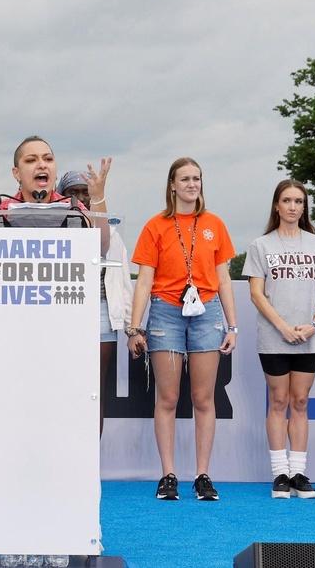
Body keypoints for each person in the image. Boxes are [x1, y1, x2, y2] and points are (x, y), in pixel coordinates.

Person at [126, 157, 238, 501]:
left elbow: (223, 279)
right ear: (172, 185)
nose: (192, 184)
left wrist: (232, 325)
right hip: (165, 313)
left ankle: (203, 475)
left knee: (204, 398)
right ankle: (168, 475)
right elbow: (144, 281)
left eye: (197, 179)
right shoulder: (155, 226)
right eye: (185, 179)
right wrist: (134, 327)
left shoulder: (214, 224)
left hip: (206, 312)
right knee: (168, 397)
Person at [244, 179, 315, 500]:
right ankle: (279, 473)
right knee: (278, 401)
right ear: (277, 205)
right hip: (274, 336)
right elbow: (256, 293)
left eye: (299, 201)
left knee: (300, 402)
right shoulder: (261, 245)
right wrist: (282, 327)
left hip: (309, 336)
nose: (293, 207)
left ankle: (298, 472)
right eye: (287, 201)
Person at [59, 170, 133, 435]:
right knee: (62, 388)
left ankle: (90, 465)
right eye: (73, 192)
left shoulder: (110, 232)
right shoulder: (51, 229)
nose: (80, 198)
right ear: (62, 196)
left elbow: (123, 282)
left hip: (100, 314)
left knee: (94, 392)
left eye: (85, 192)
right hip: (61, 314)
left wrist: (131, 327)